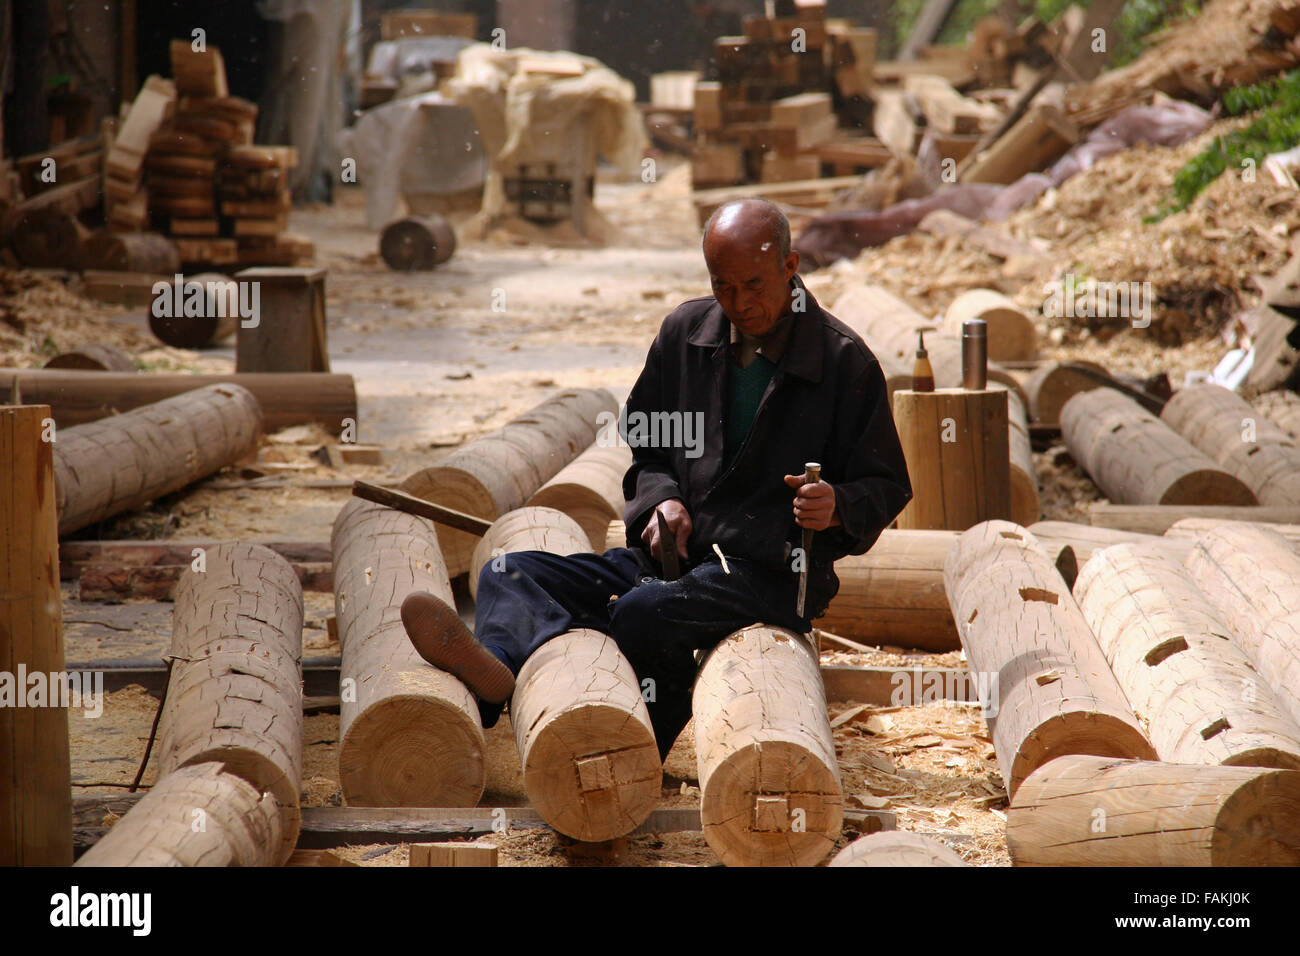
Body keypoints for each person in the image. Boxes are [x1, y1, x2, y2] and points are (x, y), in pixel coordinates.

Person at [401, 198, 913, 759]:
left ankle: (635, 741)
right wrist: (663, 499)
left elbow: (886, 485)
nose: (739, 303)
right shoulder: (685, 334)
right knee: (510, 572)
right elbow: (647, 448)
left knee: (644, 611)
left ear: (790, 267)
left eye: (754, 284)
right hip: (677, 560)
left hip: (771, 574)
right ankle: (495, 669)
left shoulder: (843, 362)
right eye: (722, 286)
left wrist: (837, 504)